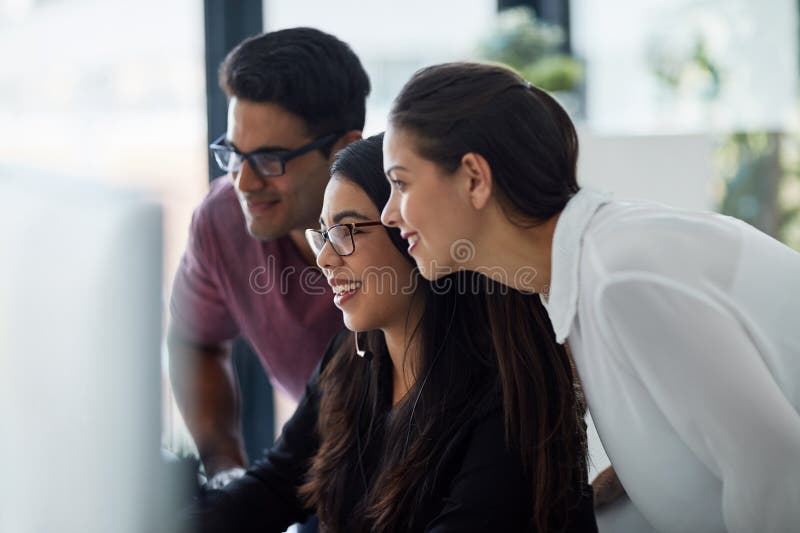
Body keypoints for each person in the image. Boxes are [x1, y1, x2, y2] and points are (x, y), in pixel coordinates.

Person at [379, 61, 800, 533]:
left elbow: (777, 476)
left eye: (401, 182)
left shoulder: (622, 275)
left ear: (474, 178)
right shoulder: (578, 283)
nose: (389, 213)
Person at [183, 134, 598, 533]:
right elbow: (275, 484)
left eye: (346, 231)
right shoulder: (350, 359)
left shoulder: (506, 400)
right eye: (323, 234)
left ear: (413, 236)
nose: (325, 259)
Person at [167, 26, 369, 491]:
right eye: (235, 155)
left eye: (271, 159)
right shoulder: (223, 218)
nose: (244, 182)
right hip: (322, 474)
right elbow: (194, 342)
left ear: (344, 149)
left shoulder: (405, 227)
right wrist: (225, 468)